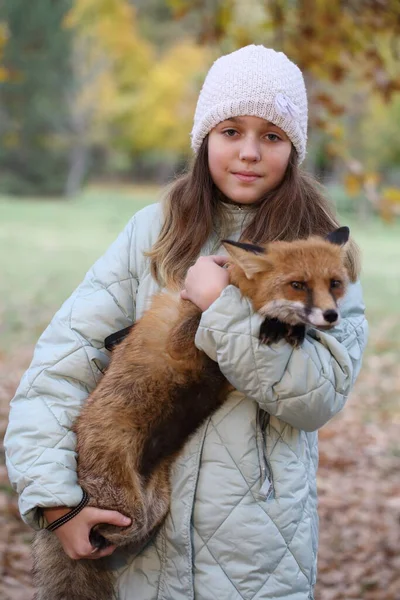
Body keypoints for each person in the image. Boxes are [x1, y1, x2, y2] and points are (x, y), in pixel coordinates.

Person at [5, 45, 368, 599]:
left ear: (293, 149)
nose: (248, 152)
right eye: (230, 131)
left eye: (271, 136)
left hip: (253, 563)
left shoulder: (324, 252)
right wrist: (55, 501)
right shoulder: (152, 233)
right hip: (138, 555)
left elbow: (314, 397)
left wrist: (221, 308)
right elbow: (60, 368)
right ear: (204, 140)